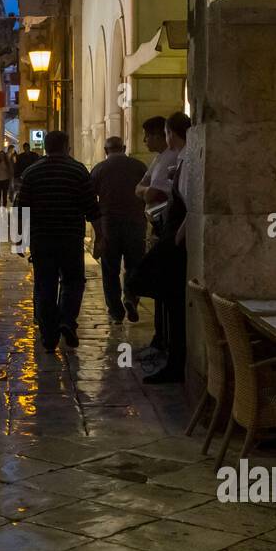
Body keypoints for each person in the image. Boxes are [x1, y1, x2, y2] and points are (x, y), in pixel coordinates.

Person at [15, 130, 100, 353]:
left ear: (45, 146)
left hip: (42, 239)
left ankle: (49, 336)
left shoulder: (31, 173)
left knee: (45, 285)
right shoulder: (78, 170)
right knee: (73, 281)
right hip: (70, 237)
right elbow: (91, 207)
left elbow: (21, 208)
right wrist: (100, 235)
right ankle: (67, 320)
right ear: (66, 146)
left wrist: (19, 241)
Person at [131, 112, 191, 384]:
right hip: (167, 234)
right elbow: (144, 188)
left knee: (164, 296)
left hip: (173, 240)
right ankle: (168, 353)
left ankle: (175, 364)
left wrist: (177, 237)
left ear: (169, 133)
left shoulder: (185, 160)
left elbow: (191, 206)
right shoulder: (177, 159)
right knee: (165, 298)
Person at [89, 137, 148, 324]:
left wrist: (97, 232)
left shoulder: (98, 169)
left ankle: (115, 312)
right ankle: (130, 297)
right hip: (135, 222)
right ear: (124, 147)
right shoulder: (139, 166)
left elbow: (90, 201)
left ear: (106, 151)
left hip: (109, 224)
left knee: (110, 269)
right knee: (134, 265)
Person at [133, 115, 178, 353]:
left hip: (166, 227)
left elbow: (150, 193)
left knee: (154, 280)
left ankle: (165, 342)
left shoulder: (174, 158)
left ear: (163, 134)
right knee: (156, 283)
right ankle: (160, 339)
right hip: (156, 224)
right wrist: (146, 191)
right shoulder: (159, 158)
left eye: (148, 135)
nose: (144, 140)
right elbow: (141, 186)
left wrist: (146, 191)